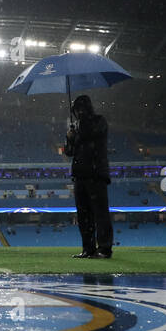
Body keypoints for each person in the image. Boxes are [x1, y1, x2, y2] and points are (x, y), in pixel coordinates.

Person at [64, 94, 113, 259]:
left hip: (96, 174)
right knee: (83, 215)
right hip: (80, 175)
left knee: (100, 214)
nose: (78, 113)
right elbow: (70, 152)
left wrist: (77, 132)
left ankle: (104, 248)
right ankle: (88, 248)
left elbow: (89, 135)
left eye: (80, 109)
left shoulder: (99, 121)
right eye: (76, 110)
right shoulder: (77, 127)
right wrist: (69, 139)